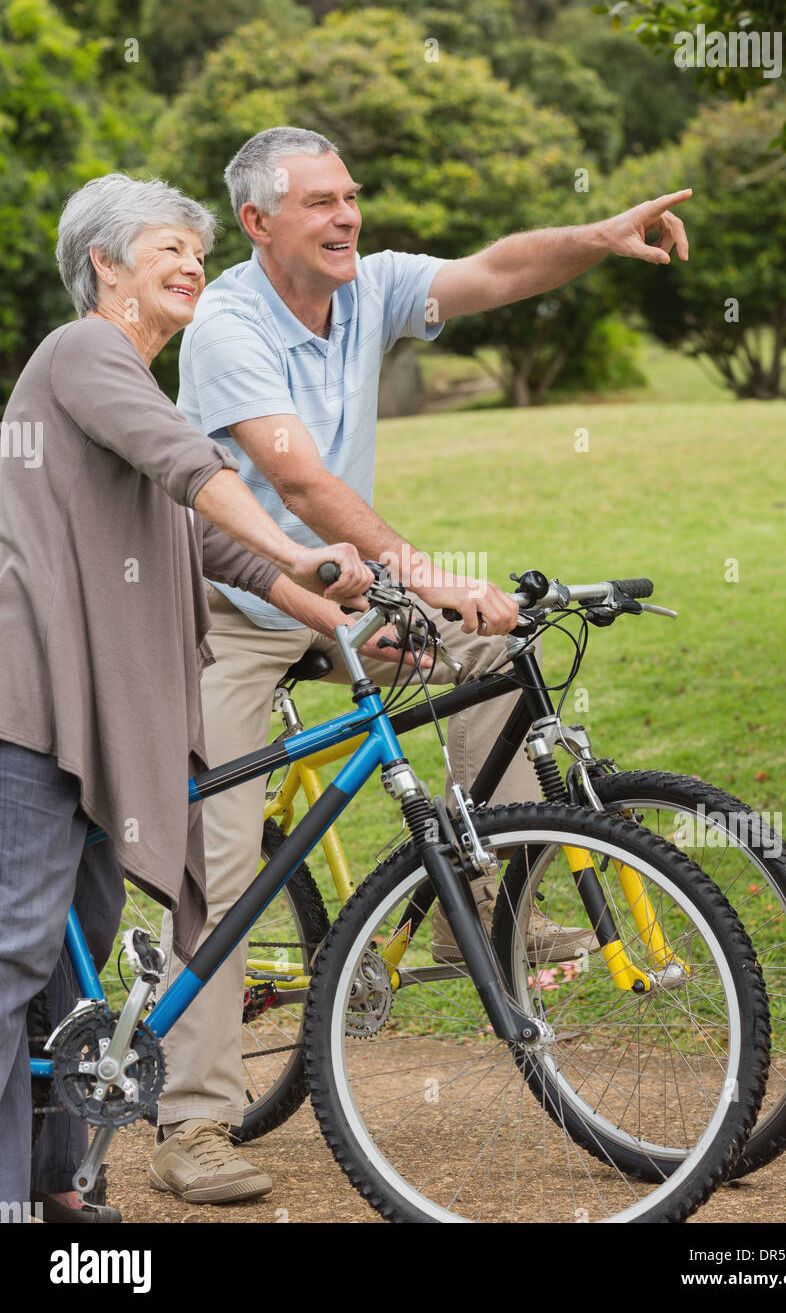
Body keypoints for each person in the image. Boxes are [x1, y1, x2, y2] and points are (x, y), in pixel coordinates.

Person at [150, 127, 691, 1205]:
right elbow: (295, 486)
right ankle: (192, 1124)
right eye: (318, 203)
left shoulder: (371, 287)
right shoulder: (224, 325)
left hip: (341, 588)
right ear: (259, 224)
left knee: (495, 639)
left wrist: (596, 234)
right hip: (231, 604)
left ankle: (476, 899)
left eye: (350, 196)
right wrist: (421, 574)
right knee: (217, 865)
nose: (346, 217)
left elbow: (494, 270)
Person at [0, 172, 371, 1222]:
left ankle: (55, 1180)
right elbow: (191, 473)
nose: (191, 263)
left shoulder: (130, 382)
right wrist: (299, 544)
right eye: (166, 247)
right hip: (34, 707)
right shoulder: (84, 351)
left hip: (100, 720)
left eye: (197, 251)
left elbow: (198, 535)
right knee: (13, 955)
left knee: (71, 979)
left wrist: (328, 605)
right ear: (104, 266)